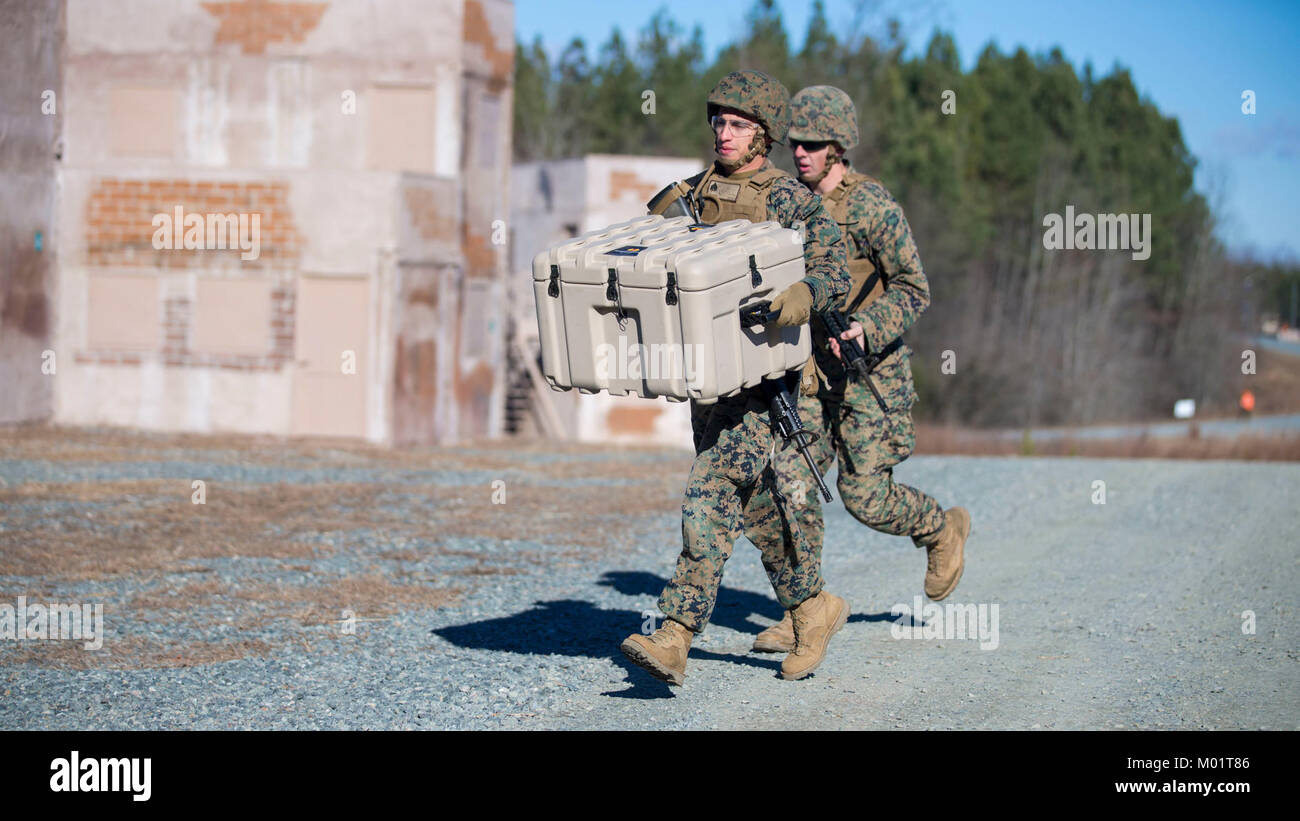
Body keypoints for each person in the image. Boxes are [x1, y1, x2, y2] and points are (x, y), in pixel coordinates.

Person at [620, 70, 851, 685]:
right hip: (706, 379)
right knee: (754, 513)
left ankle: (675, 633)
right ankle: (812, 608)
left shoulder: (790, 199)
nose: (724, 133)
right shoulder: (688, 194)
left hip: (765, 383)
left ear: (763, 136)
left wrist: (802, 294)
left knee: (708, 491)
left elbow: (836, 272)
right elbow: (643, 257)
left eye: (739, 124)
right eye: (718, 121)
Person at [744, 85, 972, 655]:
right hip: (807, 375)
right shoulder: (787, 202)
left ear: (839, 148)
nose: (801, 153)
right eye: (796, 142)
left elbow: (915, 289)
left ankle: (940, 528)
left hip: (869, 371)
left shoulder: (872, 207)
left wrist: (868, 325)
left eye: (815, 144)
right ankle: (806, 611)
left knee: (864, 496)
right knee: (790, 484)